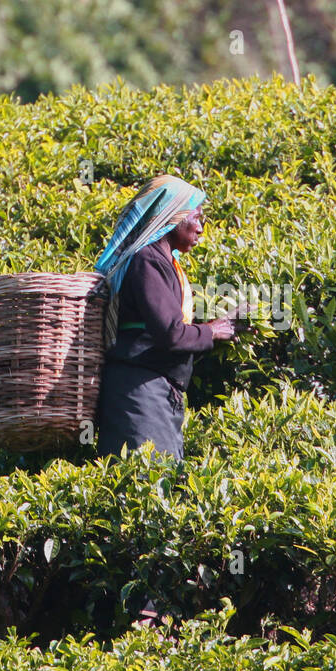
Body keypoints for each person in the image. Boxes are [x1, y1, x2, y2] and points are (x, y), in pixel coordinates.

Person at [93, 175, 236, 462]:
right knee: (147, 480)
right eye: (195, 218)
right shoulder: (146, 260)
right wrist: (211, 331)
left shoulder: (161, 262)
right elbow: (170, 334)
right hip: (139, 395)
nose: (200, 228)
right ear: (172, 218)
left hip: (152, 394)